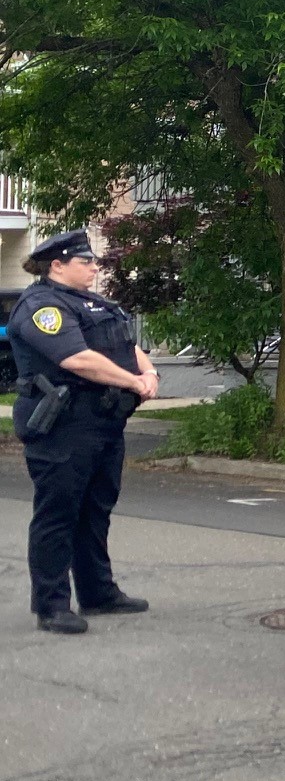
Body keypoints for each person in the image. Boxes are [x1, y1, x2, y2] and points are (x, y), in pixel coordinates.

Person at [12, 229, 158, 635]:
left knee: (96, 510)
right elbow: (77, 359)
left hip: (103, 421)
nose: (94, 267)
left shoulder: (95, 303)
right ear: (57, 265)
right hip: (63, 423)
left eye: (94, 261)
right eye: (85, 262)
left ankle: (98, 592)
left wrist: (147, 371)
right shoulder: (42, 306)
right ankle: (52, 605)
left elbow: (124, 344)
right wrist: (132, 383)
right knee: (58, 514)